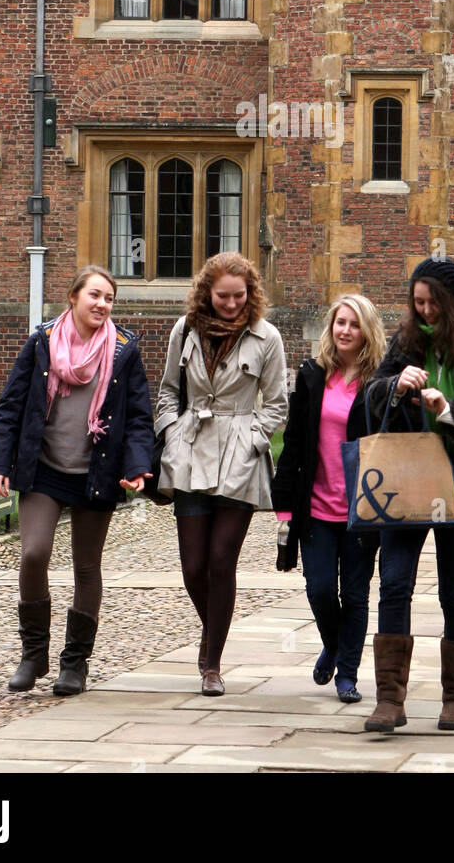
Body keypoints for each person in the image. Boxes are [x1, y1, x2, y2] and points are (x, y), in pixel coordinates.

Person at [356, 257, 454, 734]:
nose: (424, 310)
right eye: (417, 302)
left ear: (452, 302)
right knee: (394, 582)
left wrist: (449, 410)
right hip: (405, 481)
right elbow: (371, 392)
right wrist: (393, 385)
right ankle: (389, 699)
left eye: (432, 302)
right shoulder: (405, 341)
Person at [0, 265, 153, 696]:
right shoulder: (42, 341)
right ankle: (33, 654)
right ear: (74, 297)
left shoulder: (123, 350)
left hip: (96, 473)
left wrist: (136, 466)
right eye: (95, 295)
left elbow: (138, 418)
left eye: (109, 298)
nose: (102, 304)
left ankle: (74, 664)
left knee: (86, 567)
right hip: (43, 468)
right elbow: (11, 406)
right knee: (33, 554)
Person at [155, 251, 288, 696]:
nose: (232, 304)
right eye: (223, 296)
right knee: (193, 567)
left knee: (220, 561)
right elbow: (168, 392)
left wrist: (254, 438)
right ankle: (211, 631)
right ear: (206, 294)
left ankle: (212, 664)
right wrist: (172, 434)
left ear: (251, 293)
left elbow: (276, 403)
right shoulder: (185, 330)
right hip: (191, 452)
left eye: (240, 295)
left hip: (240, 456)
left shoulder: (266, 337)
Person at [271, 295, 387, 703]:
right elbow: (294, 443)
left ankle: (348, 675)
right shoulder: (312, 376)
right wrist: (283, 505)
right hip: (317, 507)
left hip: (362, 509)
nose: (345, 331)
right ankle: (334, 645)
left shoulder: (378, 382)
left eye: (354, 324)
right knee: (320, 588)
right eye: (340, 322)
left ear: (367, 331)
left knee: (355, 594)